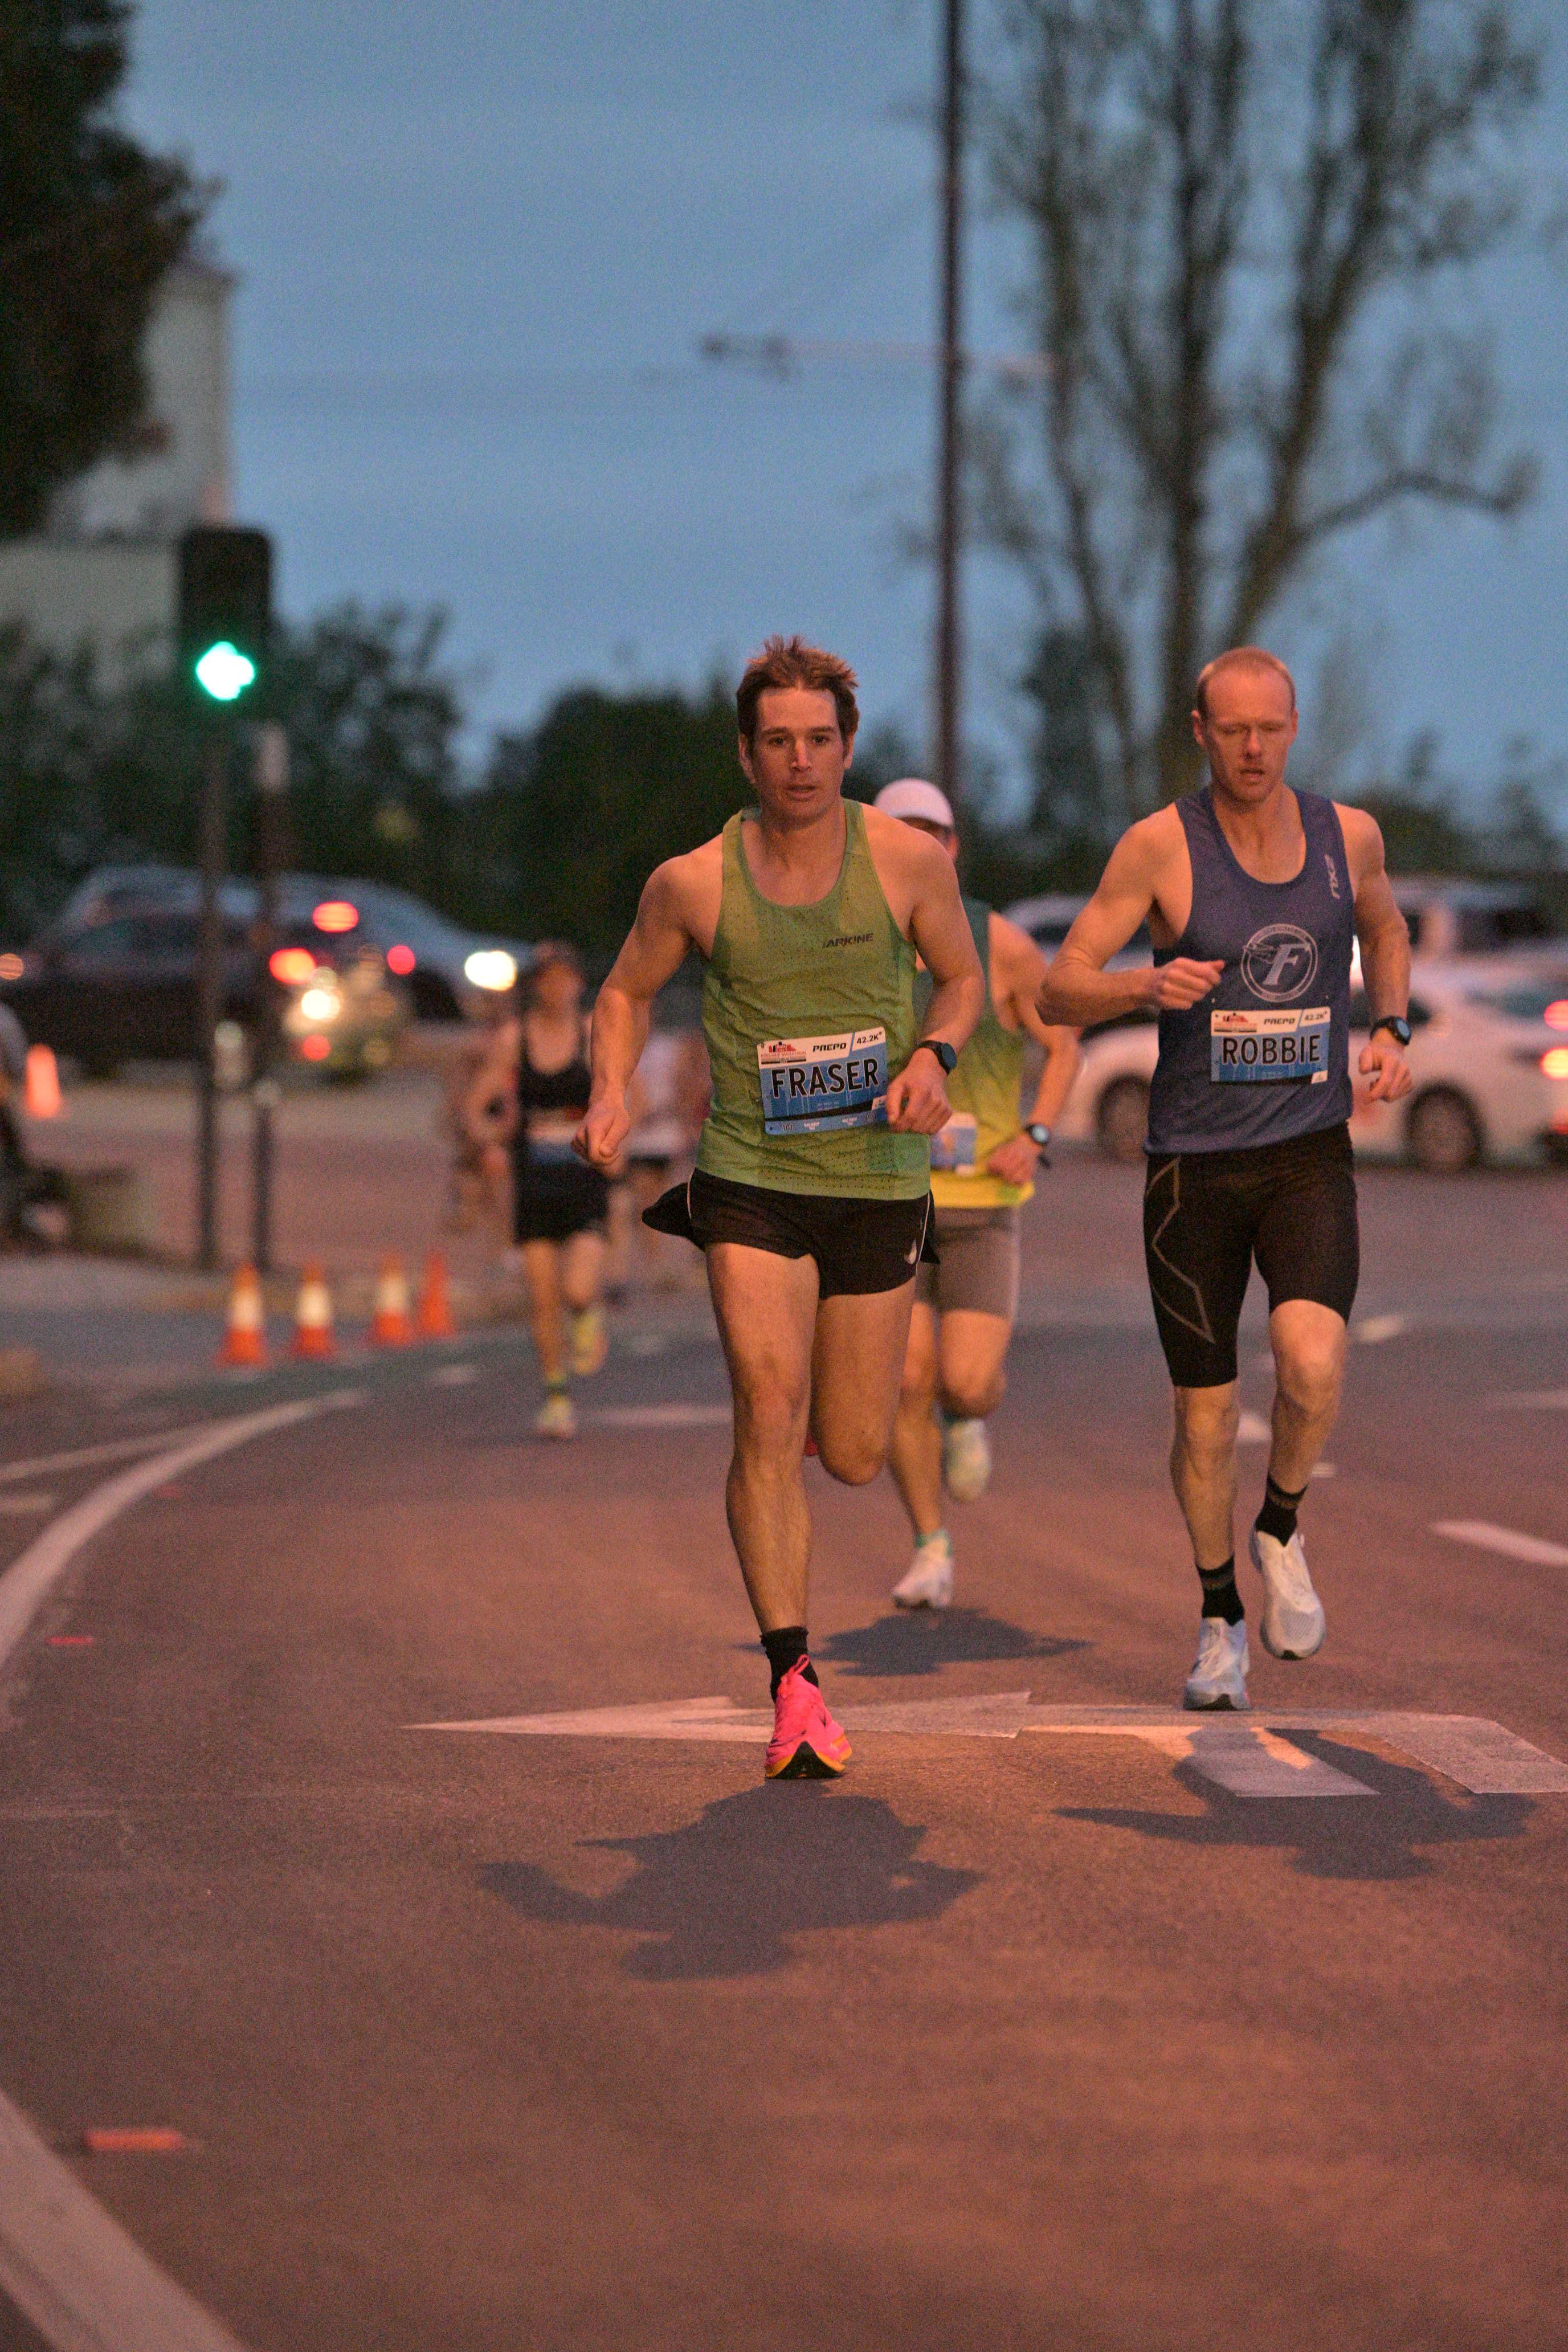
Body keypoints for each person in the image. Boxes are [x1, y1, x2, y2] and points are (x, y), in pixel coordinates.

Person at [576, 635, 985, 1778]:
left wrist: (936, 1057)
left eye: (819, 741)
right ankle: (793, 1683)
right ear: (746, 755)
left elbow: (960, 978)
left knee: (851, 1451)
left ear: (846, 749)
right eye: (777, 743)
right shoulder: (693, 882)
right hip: (749, 1177)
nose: (800, 762)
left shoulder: (903, 863)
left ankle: (816, 1422)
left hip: (873, 1185)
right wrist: (609, 1089)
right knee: (765, 1408)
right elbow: (621, 993)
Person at [1038, 647, 1413, 1710]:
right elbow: (1058, 991)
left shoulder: (1348, 838)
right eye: (1233, 730)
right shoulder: (1160, 846)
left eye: (1272, 729)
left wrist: (1387, 1022)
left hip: (1305, 1151)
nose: (1254, 749)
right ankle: (1218, 1617)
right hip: (1191, 1172)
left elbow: (1383, 925)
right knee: (1204, 1418)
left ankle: (1280, 1526)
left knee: (1311, 1358)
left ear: (1293, 728)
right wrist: (1142, 985)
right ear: (1200, 731)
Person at [870, 779, 1082, 1607]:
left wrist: (1035, 1136)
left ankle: (971, 1419)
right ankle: (930, 1546)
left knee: (965, 1381)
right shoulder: (860, 942)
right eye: (902, 832)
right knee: (903, 1381)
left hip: (983, 1204)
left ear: (954, 850)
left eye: (935, 835)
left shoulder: (1001, 944)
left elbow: (1063, 1050)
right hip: (889, 1202)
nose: (921, 847)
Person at [466, 943, 611, 1439]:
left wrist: (615, 1141)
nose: (555, 988)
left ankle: (588, 1313)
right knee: (542, 1298)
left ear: (578, 982)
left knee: (576, 1288)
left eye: (564, 978)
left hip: (585, 1182)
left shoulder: (594, 1035)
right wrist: (489, 1139)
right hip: (534, 1185)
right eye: (545, 979)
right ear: (535, 986)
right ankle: (556, 1398)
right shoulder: (514, 1039)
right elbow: (475, 1105)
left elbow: (629, 1095)